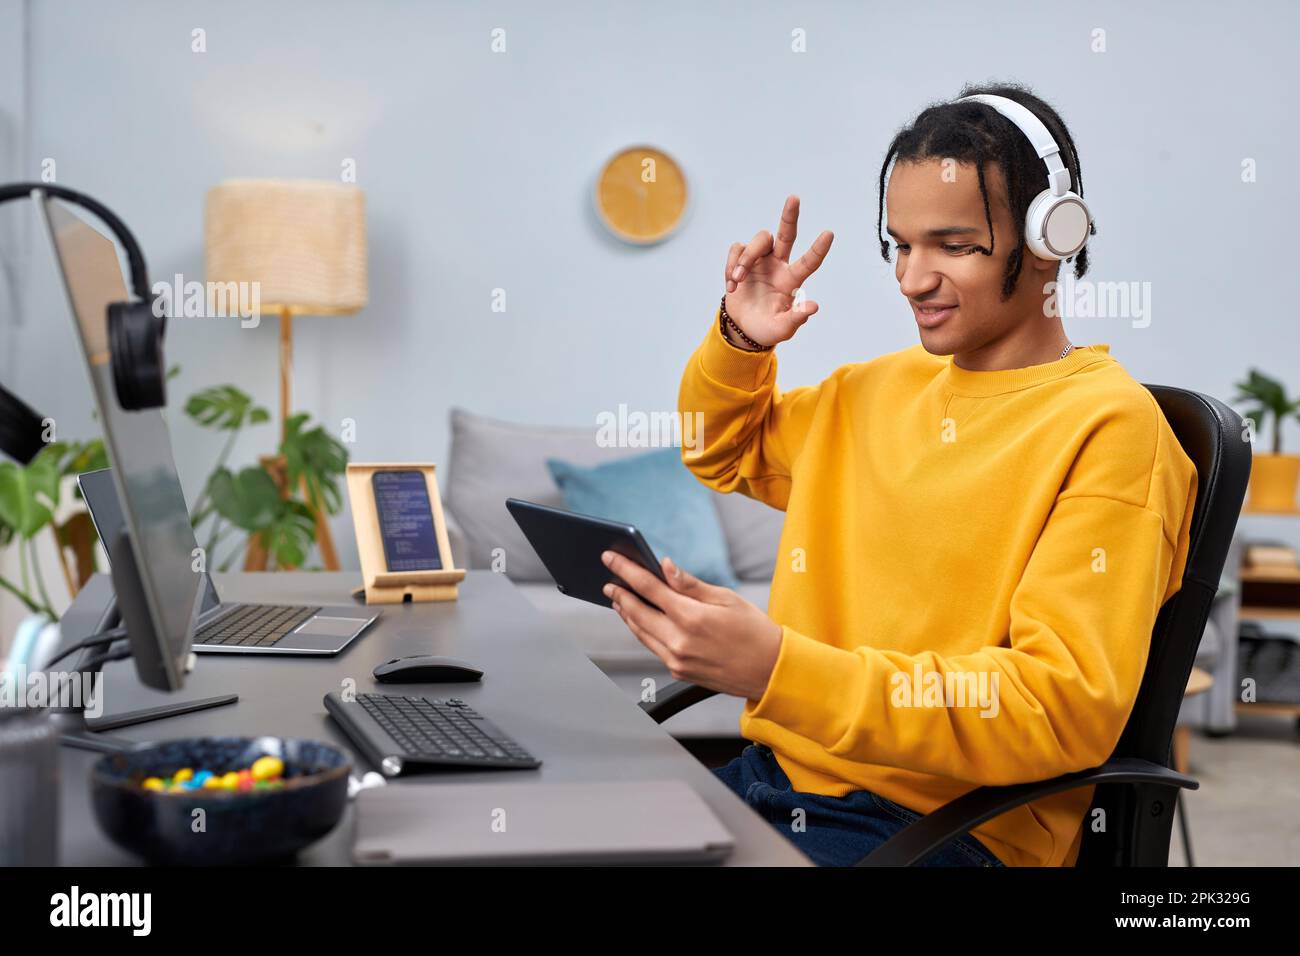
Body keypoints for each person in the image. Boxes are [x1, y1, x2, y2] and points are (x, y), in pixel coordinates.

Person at [599, 81, 1197, 867]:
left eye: (952, 246)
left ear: (1051, 235)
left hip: (943, 830)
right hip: (772, 781)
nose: (913, 278)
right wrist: (740, 341)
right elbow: (724, 452)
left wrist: (779, 668)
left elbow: (1055, 711)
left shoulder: (1113, 432)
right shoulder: (873, 390)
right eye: (901, 245)